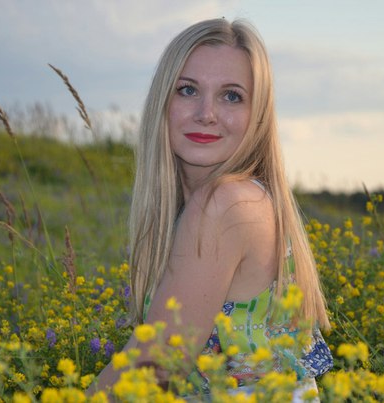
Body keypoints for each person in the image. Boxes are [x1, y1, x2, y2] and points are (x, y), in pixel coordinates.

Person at [87, 17, 332, 399]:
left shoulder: (226, 204)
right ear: (163, 102)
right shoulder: (239, 200)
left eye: (231, 96)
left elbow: (155, 365)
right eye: (187, 90)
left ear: (257, 115)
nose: (206, 113)